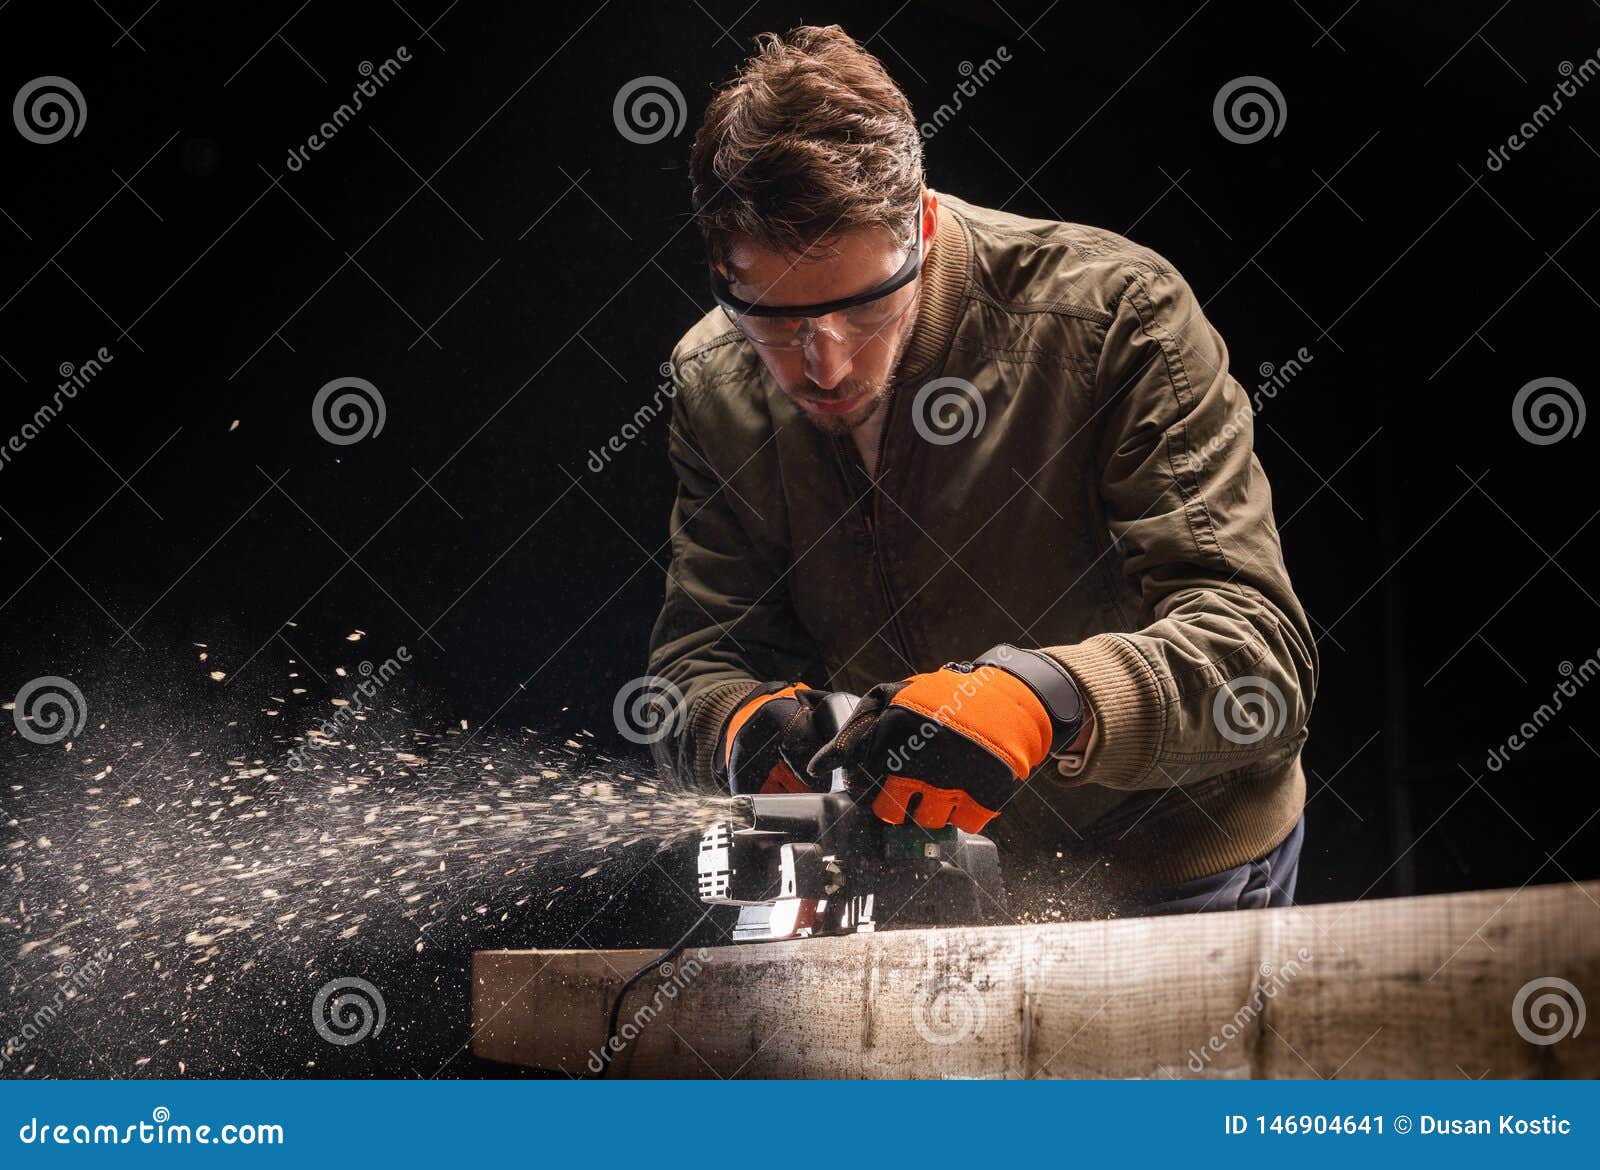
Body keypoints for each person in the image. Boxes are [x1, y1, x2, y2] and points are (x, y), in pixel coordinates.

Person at [647, 25, 1316, 917]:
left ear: (920, 224)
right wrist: (737, 727)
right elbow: (700, 660)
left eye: (861, 308)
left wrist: (1046, 700)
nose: (825, 365)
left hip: (1173, 866)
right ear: (721, 270)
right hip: (927, 885)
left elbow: (1259, 661)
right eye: (773, 320)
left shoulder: (1116, 318)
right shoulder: (712, 382)